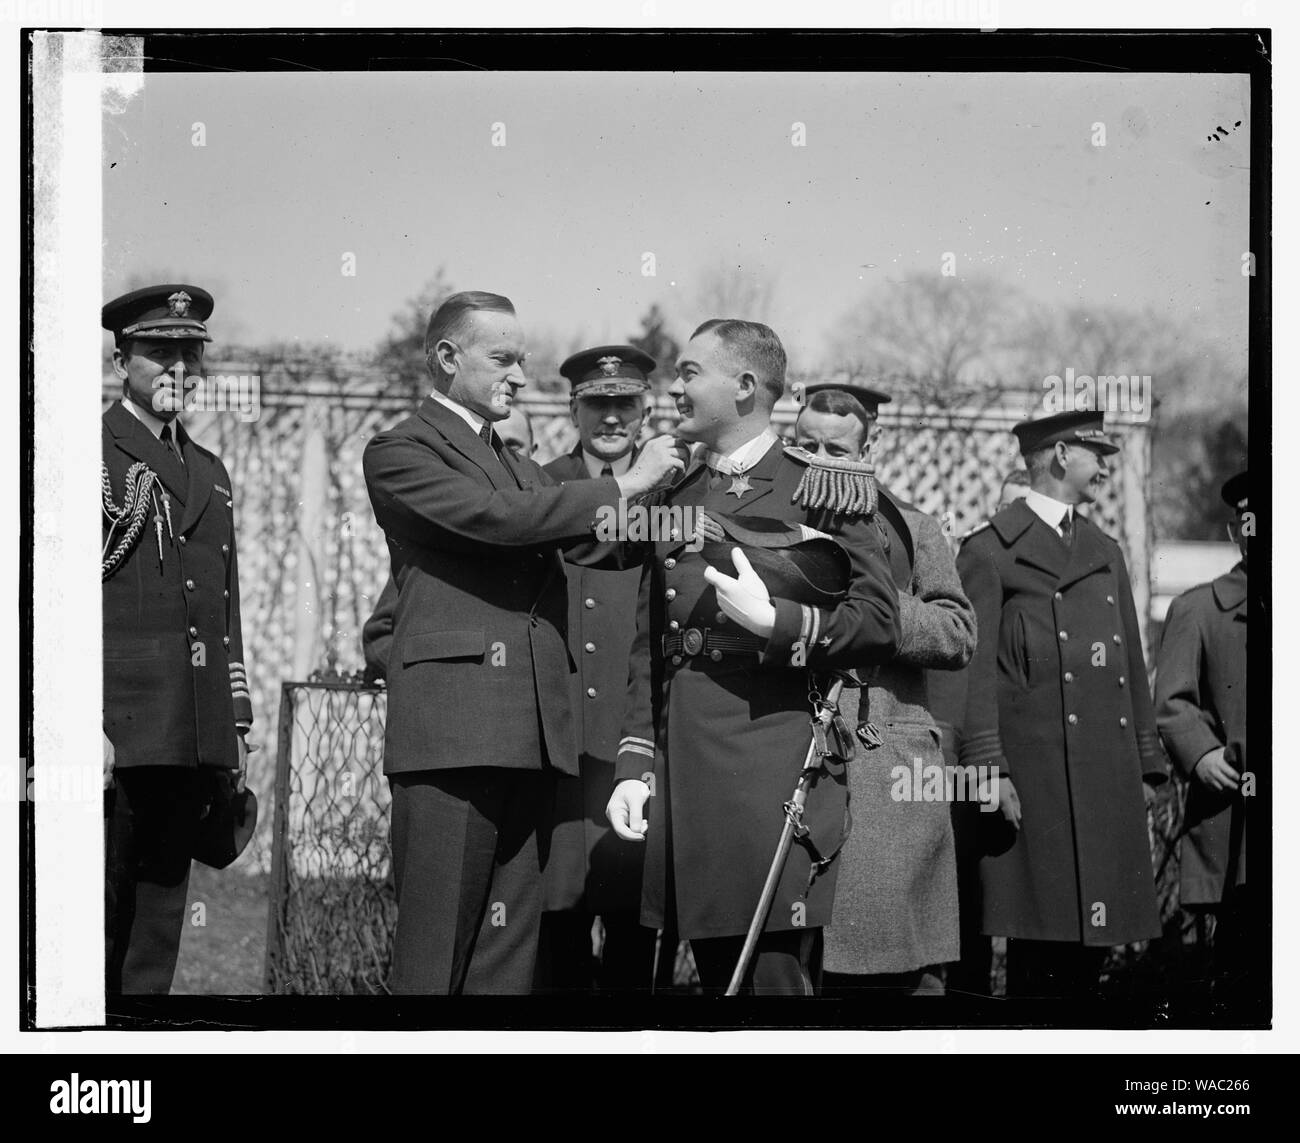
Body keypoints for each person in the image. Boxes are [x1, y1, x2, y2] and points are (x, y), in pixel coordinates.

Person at [361, 291, 683, 994]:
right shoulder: (399, 452)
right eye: (502, 358)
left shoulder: (512, 462)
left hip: (528, 744)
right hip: (453, 741)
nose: (519, 373)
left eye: (521, 359)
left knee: (504, 966)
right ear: (447, 358)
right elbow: (500, 520)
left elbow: (585, 543)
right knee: (433, 959)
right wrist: (630, 481)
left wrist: (682, 505)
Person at [606, 319, 901, 995]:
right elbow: (652, 647)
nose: (674, 387)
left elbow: (879, 623)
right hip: (685, 773)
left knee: (768, 982)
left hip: (771, 772)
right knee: (716, 981)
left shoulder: (825, 486)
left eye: (688, 372)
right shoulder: (672, 494)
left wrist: (780, 622)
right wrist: (633, 763)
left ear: (743, 386)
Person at [956, 409, 1166, 1000]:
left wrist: (1146, 764)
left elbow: (1129, 667)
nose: (1105, 467)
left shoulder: (1106, 550)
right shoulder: (990, 551)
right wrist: (989, 771)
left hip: (1105, 772)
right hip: (1035, 780)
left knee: (1091, 953)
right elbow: (974, 676)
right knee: (1039, 951)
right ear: (1059, 457)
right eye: (1095, 454)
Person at [791, 384, 976, 997]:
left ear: (872, 445)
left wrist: (870, 601)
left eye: (837, 448)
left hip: (887, 765)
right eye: (806, 444)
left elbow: (958, 633)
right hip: (794, 752)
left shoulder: (915, 528)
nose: (820, 459)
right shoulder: (774, 515)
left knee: (899, 966)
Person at [100, 284, 253, 994]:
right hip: (113, 738)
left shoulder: (211, 474)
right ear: (121, 356)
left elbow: (226, 611)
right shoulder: (91, 455)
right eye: (160, 351)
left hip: (188, 738)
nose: (178, 370)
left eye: (189, 355)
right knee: (94, 926)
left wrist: (236, 726)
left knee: (156, 936)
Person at [535, 345, 660, 992]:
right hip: (556, 740)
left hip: (633, 736)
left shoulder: (672, 490)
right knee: (556, 920)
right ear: (573, 408)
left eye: (625, 404)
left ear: (646, 409)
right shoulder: (538, 482)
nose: (611, 418)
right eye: (597, 404)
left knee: (634, 926)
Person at [1155, 469, 1253, 1009]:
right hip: (1232, 820)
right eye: (1248, 522)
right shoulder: (1199, 608)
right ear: (1235, 533)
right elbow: (1170, 703)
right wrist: (1203, 752)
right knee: (1236, 979)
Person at [936, 463, 1032, 997]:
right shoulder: (978, 570)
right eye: (1006, 510)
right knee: (971, 905)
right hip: (976, 769)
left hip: (1033, 766)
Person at [360, 407, 537, 685]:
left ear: (533, 451)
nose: (496, 457)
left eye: (513, 447)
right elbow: (381, 634)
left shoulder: (552, 512)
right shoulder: (445, 531)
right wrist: (434, 677)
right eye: (489, 445)